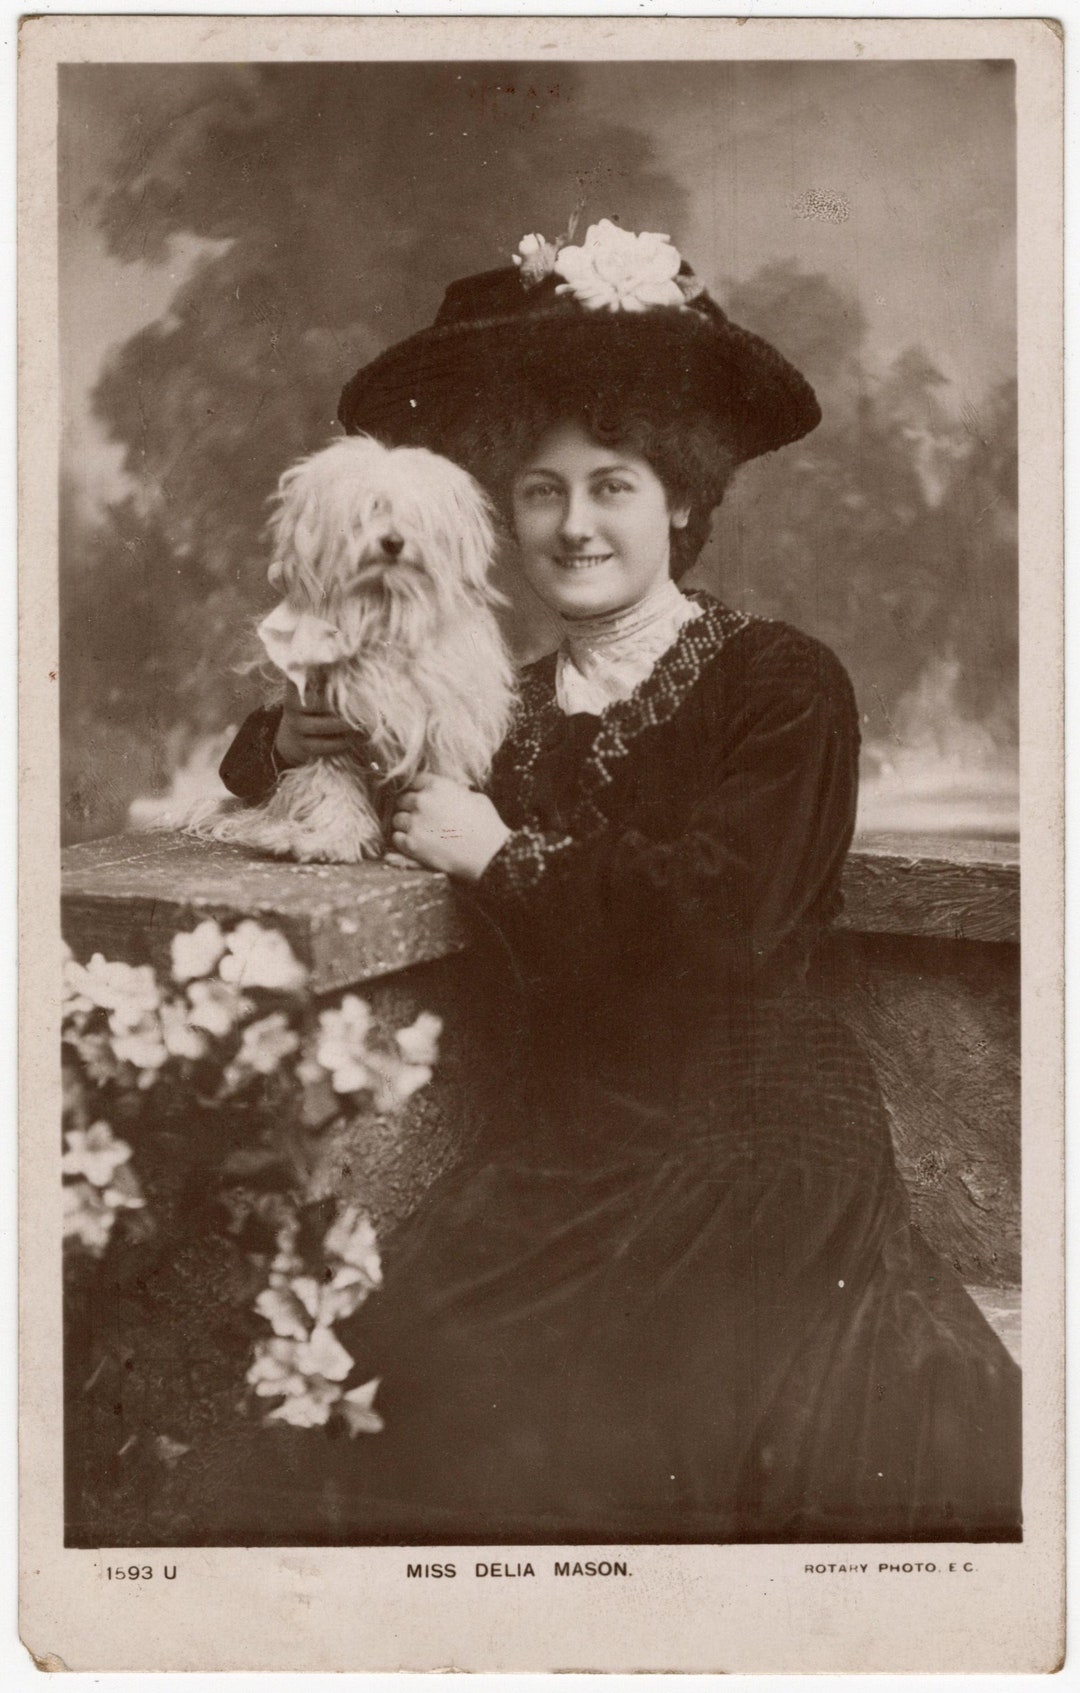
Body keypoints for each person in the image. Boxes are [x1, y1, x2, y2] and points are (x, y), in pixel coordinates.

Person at [219, 221, 1021, 1544]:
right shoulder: (502, 704)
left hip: (760, 1135)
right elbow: (308, 736)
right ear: (503, 513)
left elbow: (724, 919)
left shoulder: (782, 678)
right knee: (383, 1391)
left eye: (615, 484)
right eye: (541, 489)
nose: (575, 522)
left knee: (643, 1427)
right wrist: (285, 732)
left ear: (684, 503)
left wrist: (497, 854)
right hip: (577, 1132)